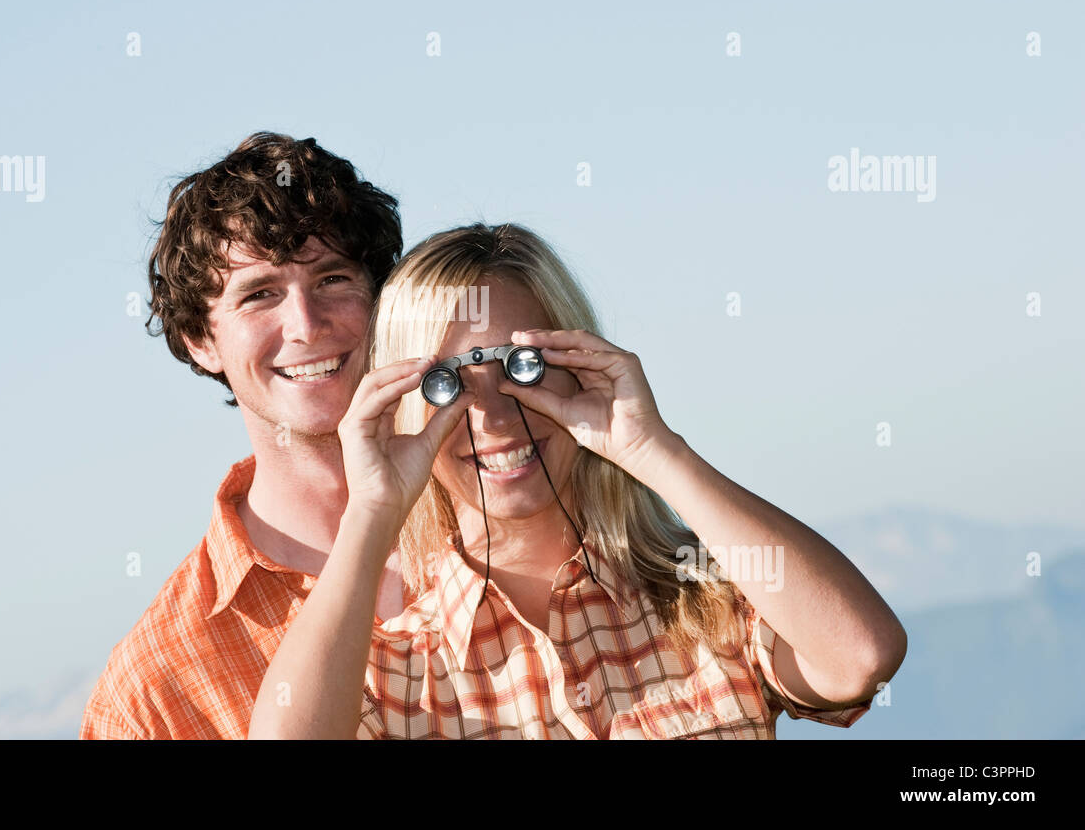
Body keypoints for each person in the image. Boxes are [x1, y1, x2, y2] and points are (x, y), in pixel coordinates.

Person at [249, 222, 908, 739]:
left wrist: (653, 449)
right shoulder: (393, 674)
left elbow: (861, 654)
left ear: (583, 364)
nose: (494, 413)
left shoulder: (705, 603)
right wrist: (373, 509)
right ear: (401, 405)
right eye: (445, 384)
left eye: (523, 365)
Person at [80, 131, 409, 739]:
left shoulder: (509, 511)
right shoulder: (155, 689)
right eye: (259, 295)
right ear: (200, 342)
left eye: (333, 279)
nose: (306, 326)